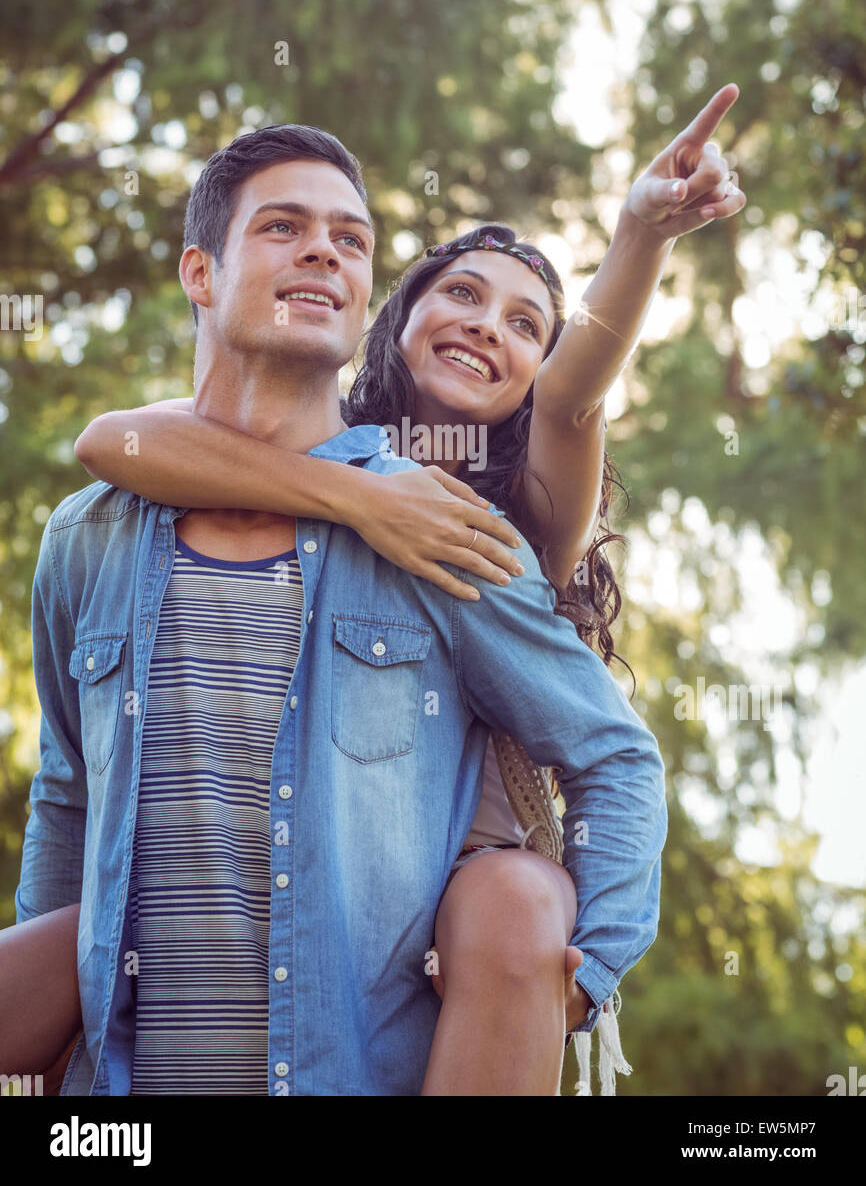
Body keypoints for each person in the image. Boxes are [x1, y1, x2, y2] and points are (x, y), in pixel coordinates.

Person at [7, 102, 742, 1096]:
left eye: (348, 239)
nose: (487, 327)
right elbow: (70, 790)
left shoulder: (478, 523)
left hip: (415, 946)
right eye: (283, 228)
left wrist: (583, 974)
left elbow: (570, 399)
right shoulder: (105, 530)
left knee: (514, 900)